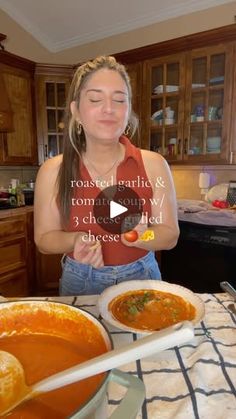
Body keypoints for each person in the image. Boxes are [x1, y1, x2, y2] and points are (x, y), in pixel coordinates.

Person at [34, 55, 179, 296]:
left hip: (142, 278)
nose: (109, 109)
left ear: (128, 110)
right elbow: (43, 239)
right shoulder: (52, 171)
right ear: (76, 111)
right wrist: (76, 240)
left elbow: (169, 234)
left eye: (119, 100)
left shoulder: (154, 164)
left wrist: (145, 236)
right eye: (95, 99)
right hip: (80, 279)